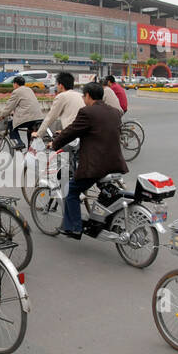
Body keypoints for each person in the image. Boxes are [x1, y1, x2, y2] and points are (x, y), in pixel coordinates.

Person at [50, 82, 127, 240]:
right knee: (105, 192)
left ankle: (75, 228)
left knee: (71, 191)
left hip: (96, 165)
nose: (83, 99)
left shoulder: (87, 112)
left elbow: (72, 131)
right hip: (115, 162)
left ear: (88, 96)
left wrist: (55, 143)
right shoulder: (114, 112)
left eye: (84, 96)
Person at [0, 76, 42, 150]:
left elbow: (9, 106)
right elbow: (25, 104)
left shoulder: (17, 91)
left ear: (15, 84)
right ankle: (29, 148)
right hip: (38, 116)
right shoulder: (29, 89)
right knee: (29, 129)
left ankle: (19, 142)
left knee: (11, 124)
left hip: (28, 117)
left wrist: (2, 116)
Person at [38, 72, 85, 141]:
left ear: (61, 85)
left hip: (72, 134)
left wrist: (39, 133)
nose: (56, 86)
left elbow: (50, 117)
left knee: (54, 146)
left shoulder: (62, 96)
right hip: (83, 132)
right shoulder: (81, 95)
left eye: (57, 84)